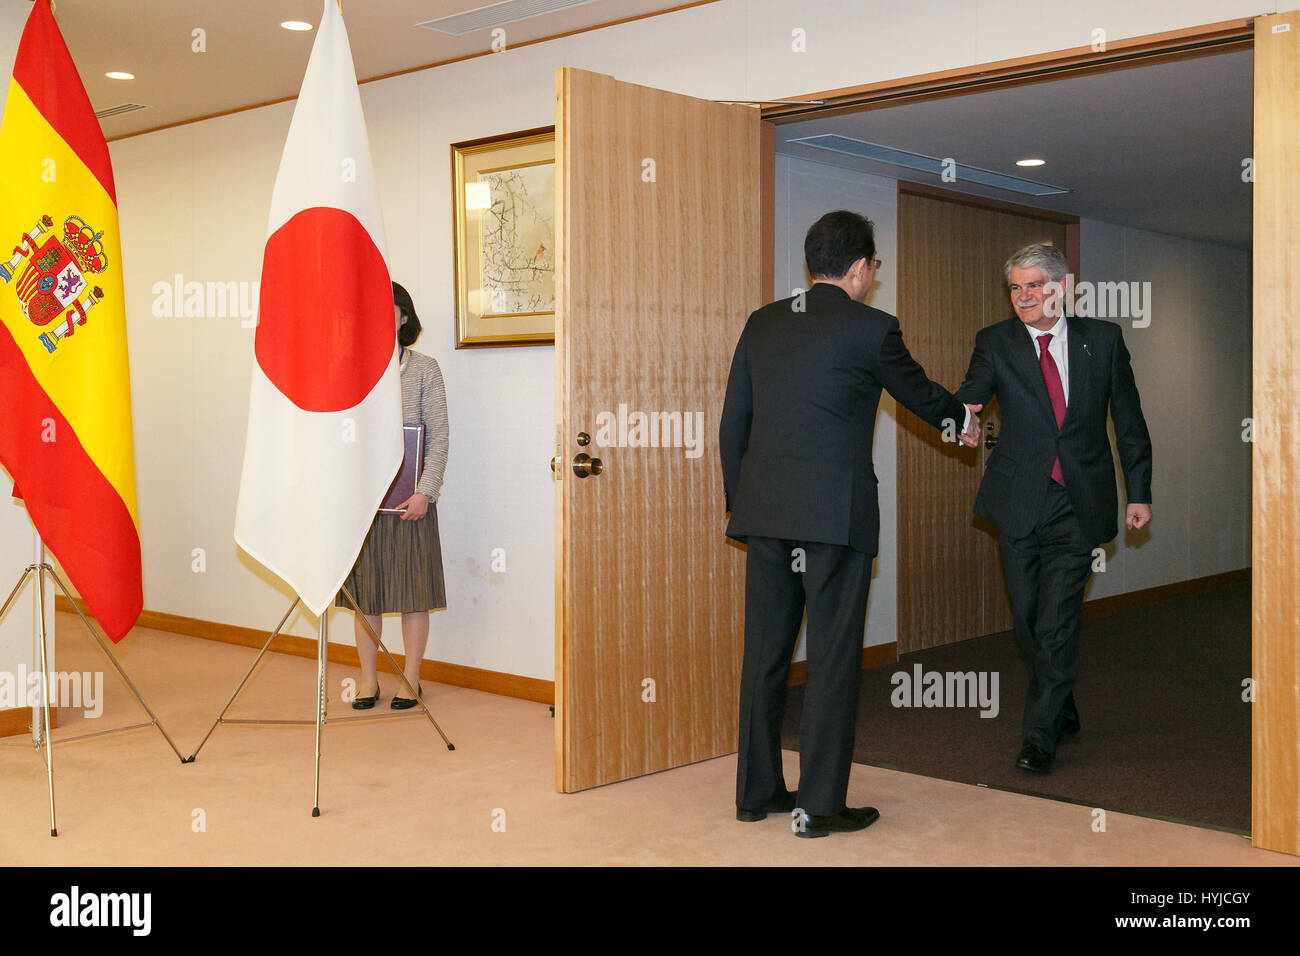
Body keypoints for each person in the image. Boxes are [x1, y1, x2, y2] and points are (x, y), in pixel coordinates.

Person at [719, 210, 980, 838]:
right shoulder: (872, 329)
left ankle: (756, 794)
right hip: (835, 519)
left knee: (764, 656)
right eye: (874, 269)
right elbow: (920, 397)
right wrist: (962, 419)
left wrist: (743, 504)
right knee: (833, 660)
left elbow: (734, 423)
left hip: (767, 516)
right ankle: (819, 808)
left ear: (814, 264)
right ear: (861, 268)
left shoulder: (764, 322)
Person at [955, 243, 1152, 774]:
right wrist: (966, 415)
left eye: (1034, 285)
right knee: (1027, 618)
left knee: (1057, 620)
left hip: (1078, 502)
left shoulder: (1102, 341)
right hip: (1019, 500)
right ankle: (1061, 704)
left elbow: (1129, 423)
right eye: (1016, 287)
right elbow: (973, 392)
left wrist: (1139, 492)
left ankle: (1038, 736)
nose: (1023, 296)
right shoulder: (995, 341)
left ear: (1061, 287)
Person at [337, 281, 449, 710]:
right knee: (367, 598)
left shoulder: (425, 369)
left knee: (412, 594)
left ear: (403, 316)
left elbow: (438, 436)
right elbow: (341, 436)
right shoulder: (351, 368)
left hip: (411, 503)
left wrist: (426, 492)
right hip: (362, 505)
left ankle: (411, 678)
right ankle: (367, 679)